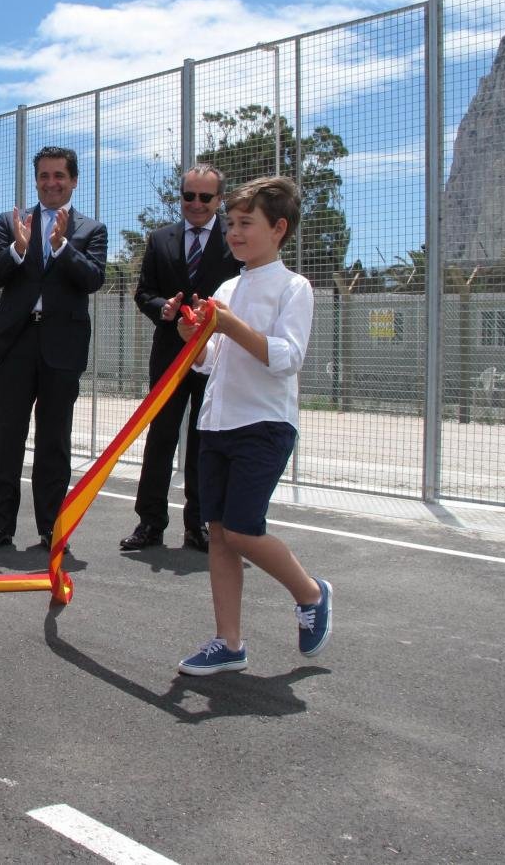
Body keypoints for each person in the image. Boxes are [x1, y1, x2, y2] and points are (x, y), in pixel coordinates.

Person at [173, 175, 332, 676]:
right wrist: (194, 336)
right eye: (232, 224)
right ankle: (230, 642)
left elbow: (286, 357)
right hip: (216, 424)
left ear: (279, 228)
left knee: (242, 530)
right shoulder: (227, 287)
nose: (234, 233)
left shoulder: (293, 287)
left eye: (246, 224)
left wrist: (228, 324)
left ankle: (310, 592)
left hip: (263, 426)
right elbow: (210, 361)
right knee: (218, 533)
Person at [0, 147, 107, 551]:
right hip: (16, 344)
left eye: (59, 176)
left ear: (73, 181)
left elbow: (93, 280)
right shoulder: (11, 223)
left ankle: (52, 526)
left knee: (54, 441)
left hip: (61, 348)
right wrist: (17, 249)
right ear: (35, 180)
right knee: (6, 437)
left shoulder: (91, 229)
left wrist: (64, 247)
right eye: (44, 176)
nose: (51, 183)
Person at [122, 163, 241, 553]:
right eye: (189, 195)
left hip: (217, 355)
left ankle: (199, 524)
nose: (196, 203)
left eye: (206, 197)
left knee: (204, 439)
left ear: (219, 200)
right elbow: (144, 292)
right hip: (170, 353)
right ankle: (150, 522)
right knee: (161, 436)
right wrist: (165, 309)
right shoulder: (161, 239)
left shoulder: (234, 240)